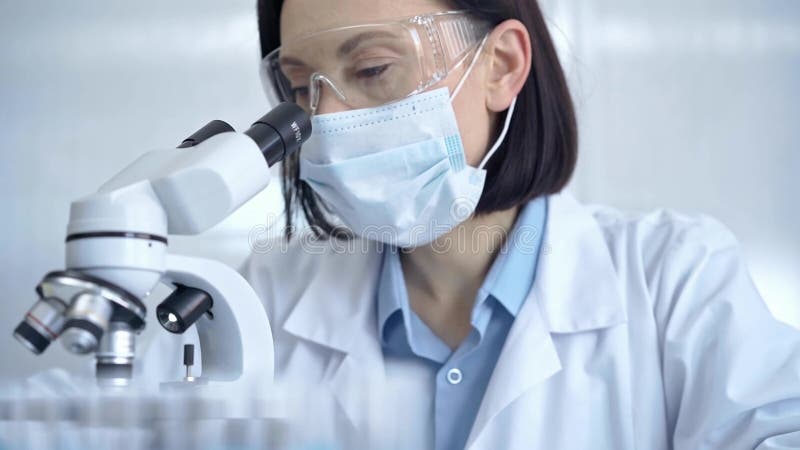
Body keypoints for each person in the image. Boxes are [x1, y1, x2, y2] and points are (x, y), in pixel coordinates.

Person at [243, 0, 800, 448]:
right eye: (300, 87)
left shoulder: (675, 279)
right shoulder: (259, 301)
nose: (329, 121)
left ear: (502, 65)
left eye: (373, 70)